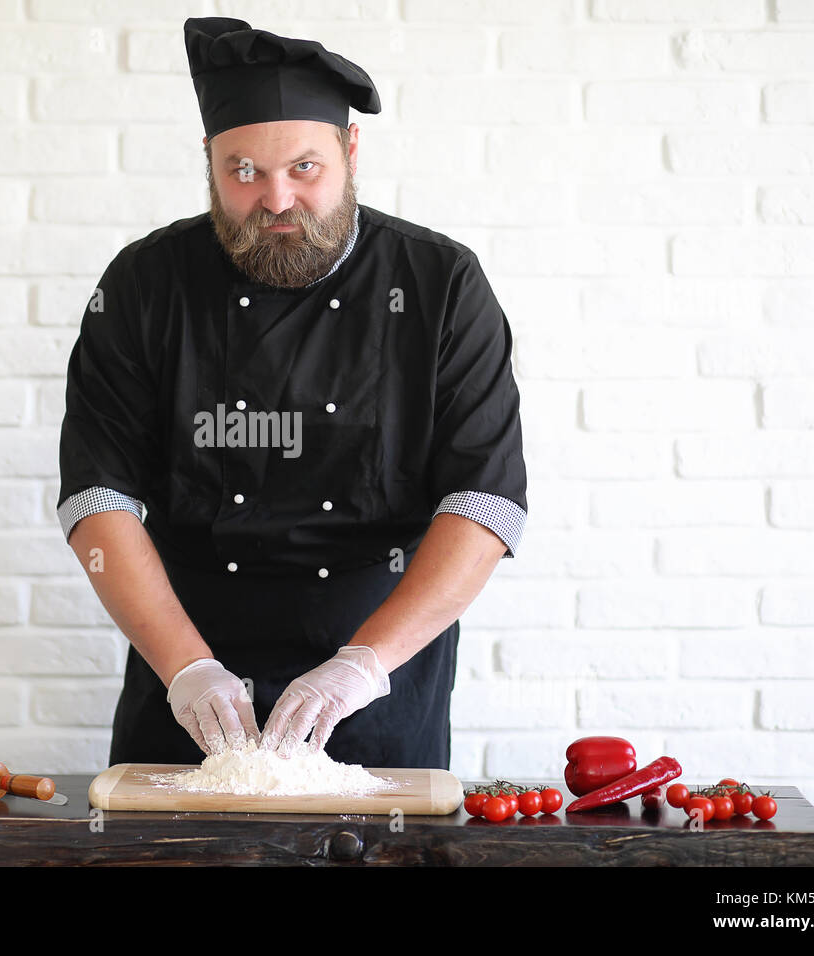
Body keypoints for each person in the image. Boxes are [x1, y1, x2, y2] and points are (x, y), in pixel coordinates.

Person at [56, 17, 527, 770]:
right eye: (242, 171)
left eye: (303, 168)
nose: (276, 200)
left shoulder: (439, 284)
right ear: (209, 162)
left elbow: (485, 504)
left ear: (349, 151)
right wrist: (185, 669)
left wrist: (363, 666)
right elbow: (95, 497)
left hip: (378, 678)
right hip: (187, 669)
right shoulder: (145, 285)